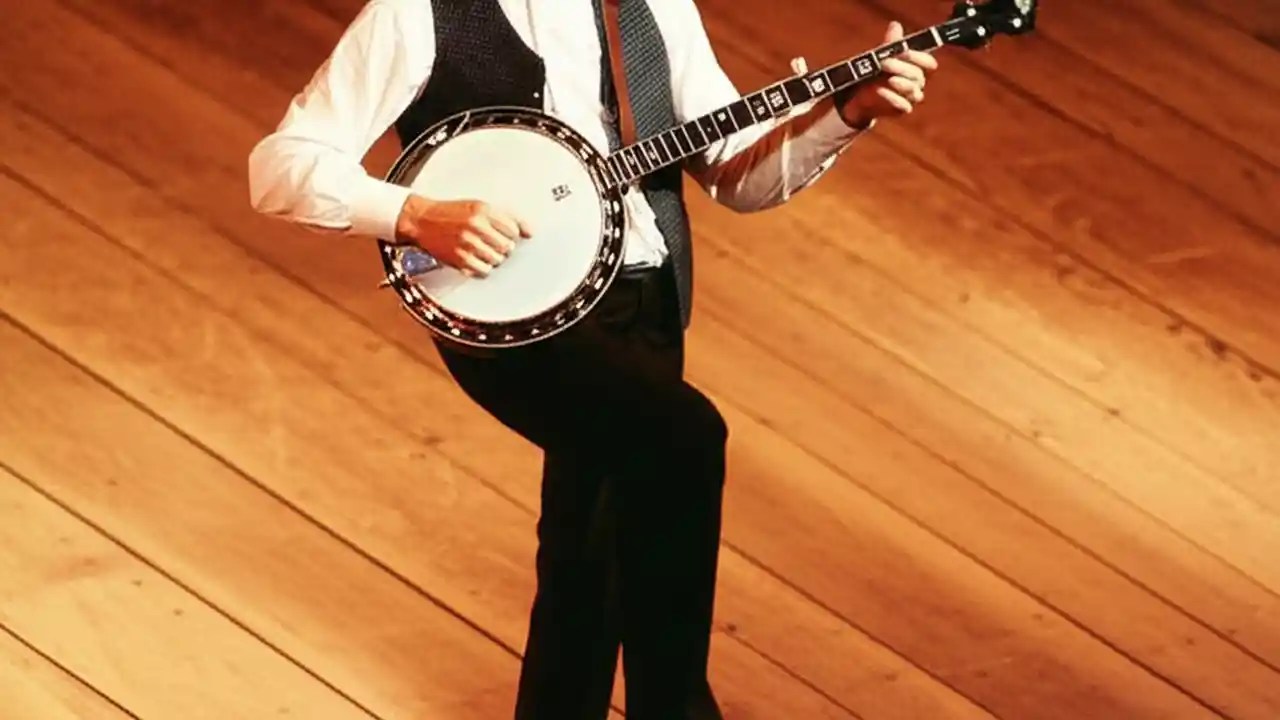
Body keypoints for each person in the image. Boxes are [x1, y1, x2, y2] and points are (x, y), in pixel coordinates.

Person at [247, 1, 938, 717]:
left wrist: (845, 113)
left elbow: (739, 174)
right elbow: (280, 166)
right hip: (511, 314)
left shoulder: (650, 8)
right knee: (684, 439)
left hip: (648, 299)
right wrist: (415, 215)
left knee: (590, 549)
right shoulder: (420, 14)